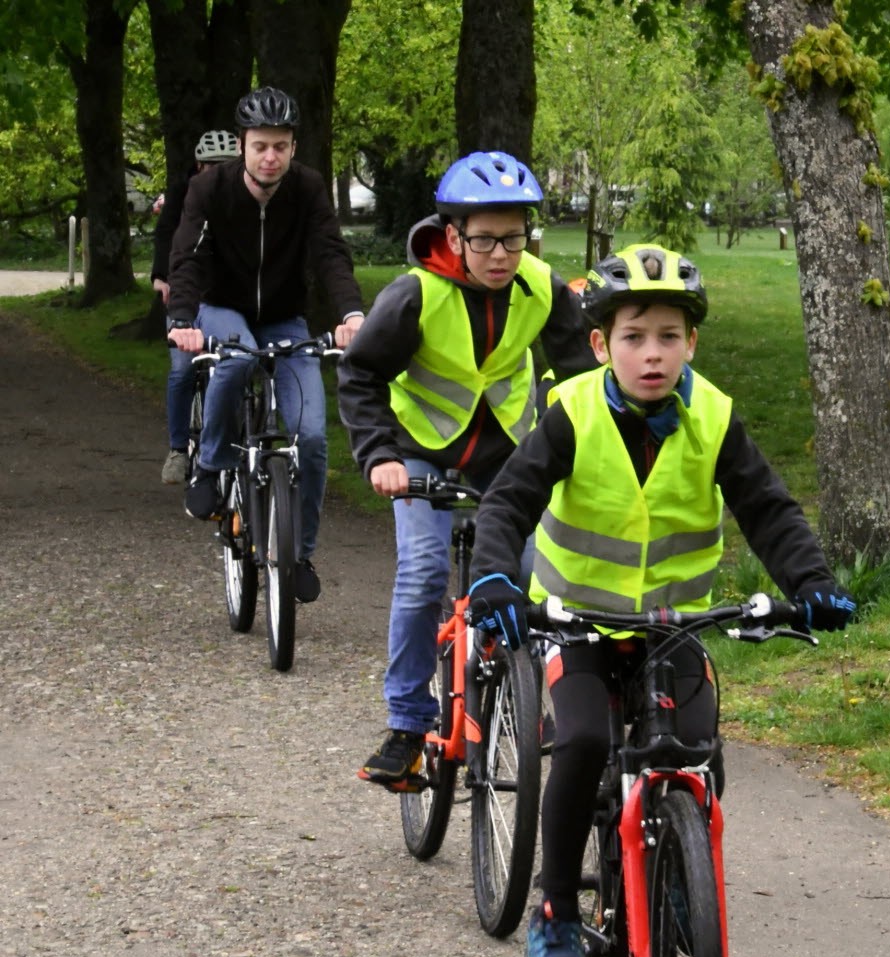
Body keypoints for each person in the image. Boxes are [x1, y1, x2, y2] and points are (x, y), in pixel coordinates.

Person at [465, 244, 858, 957]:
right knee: (580, 741)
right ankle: (554, 912)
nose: (653, 354)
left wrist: (810, 583)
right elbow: (509, 503)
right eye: (635, 337)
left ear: (693, 344)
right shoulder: (571, 412)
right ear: (600, 345)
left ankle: (679, 876)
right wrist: (492, 577)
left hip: (670, 627)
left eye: (669, 336)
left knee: (696, 746)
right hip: (577, 622)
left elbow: (766, 508)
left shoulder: (712, 416)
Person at [335, 150, 594, 788]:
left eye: (513, 237)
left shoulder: (541, 286)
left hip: (507, 454)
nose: (501, 254)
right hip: (419, 453)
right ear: (454, 236)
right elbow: (360, 375)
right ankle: (406, 726)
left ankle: (542, 700)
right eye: (483, 239)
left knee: (541, 575)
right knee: (424, 569)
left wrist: (577, 443)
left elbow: (581, 373)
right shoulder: (415, 294)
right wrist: (380, 456)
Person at [165, 87, 366, 604]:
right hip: (221, 307)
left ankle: (298, 553)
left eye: (280, 146)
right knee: (231, 360)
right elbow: (186, 255)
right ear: (242, 146)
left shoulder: (308, 189)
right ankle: (209, 465)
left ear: (294, 147)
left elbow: (330, 254)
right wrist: (183, 319)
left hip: (283, 318)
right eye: (260, 146)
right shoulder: (211, 189)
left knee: (313, 436)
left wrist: (351, 313)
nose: (270, 156)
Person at [154, 130, 240, 484]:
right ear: (198, 165)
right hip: (185, 290)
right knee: (182, 370)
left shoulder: (245, 194)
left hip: (227, 296)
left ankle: (235, 440)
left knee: (241, 363)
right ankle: (178, 448)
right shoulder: (183, 193)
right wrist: (161, 277)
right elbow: (166, 234)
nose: (216, 173)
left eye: (225, 166)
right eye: (210, 166)